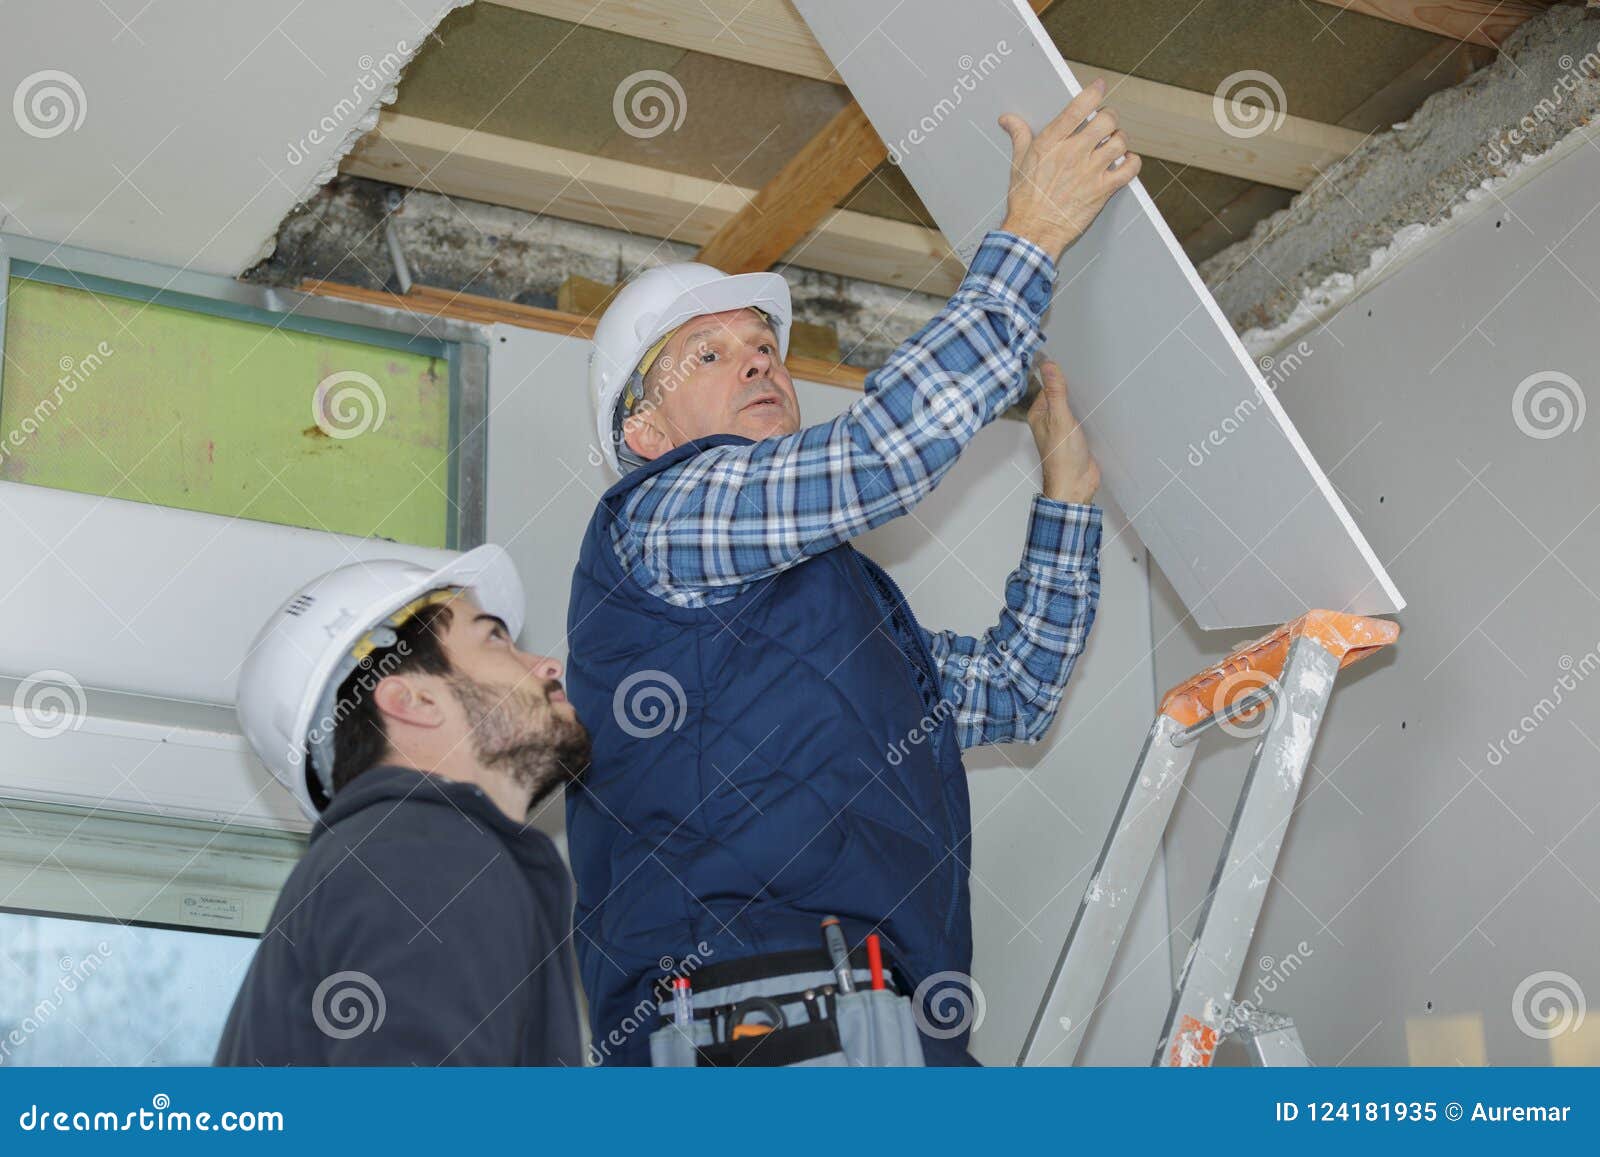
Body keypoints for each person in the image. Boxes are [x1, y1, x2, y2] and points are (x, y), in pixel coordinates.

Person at [566, 82, 1139, 1065]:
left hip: (889, 1024)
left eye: (763, 346)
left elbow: (1014, 690)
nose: (758, 363)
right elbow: (882, 457)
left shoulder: (838, 602)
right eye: (707, 353)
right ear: (644, 430)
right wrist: (1030, 233)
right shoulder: (659, 521)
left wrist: (1069, 496)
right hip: (754, 1024)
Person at [215, 545, 587, 1066]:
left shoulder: (393, 853)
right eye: (495, 638)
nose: (546, 665)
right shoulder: (425, 854)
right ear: (412, 701)